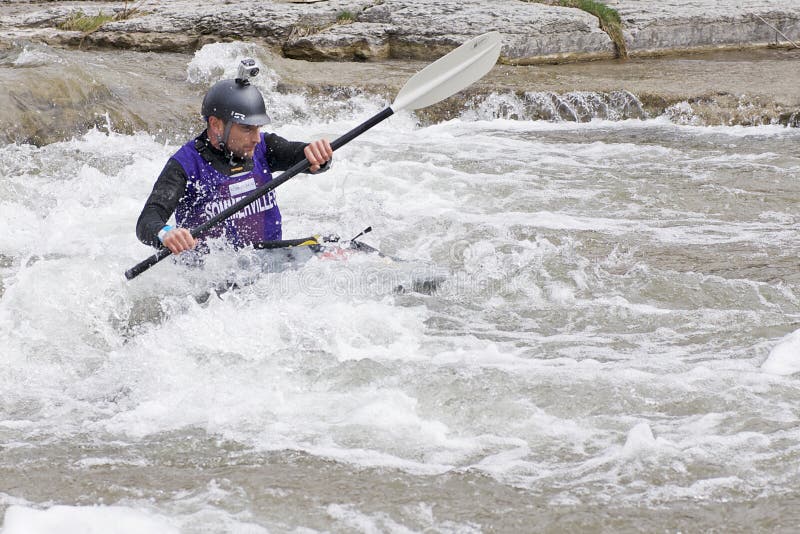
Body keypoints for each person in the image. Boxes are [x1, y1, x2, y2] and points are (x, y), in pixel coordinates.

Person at [136, 72, 333, 257]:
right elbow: (147, 221)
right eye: (247, 128)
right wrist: (166, 233)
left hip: (270, 265)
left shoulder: (264, 147)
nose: (256, 138)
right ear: (216, 124)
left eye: (258, 128)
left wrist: (319, 157)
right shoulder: (186, 165)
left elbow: (302, 156)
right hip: (212, 278)